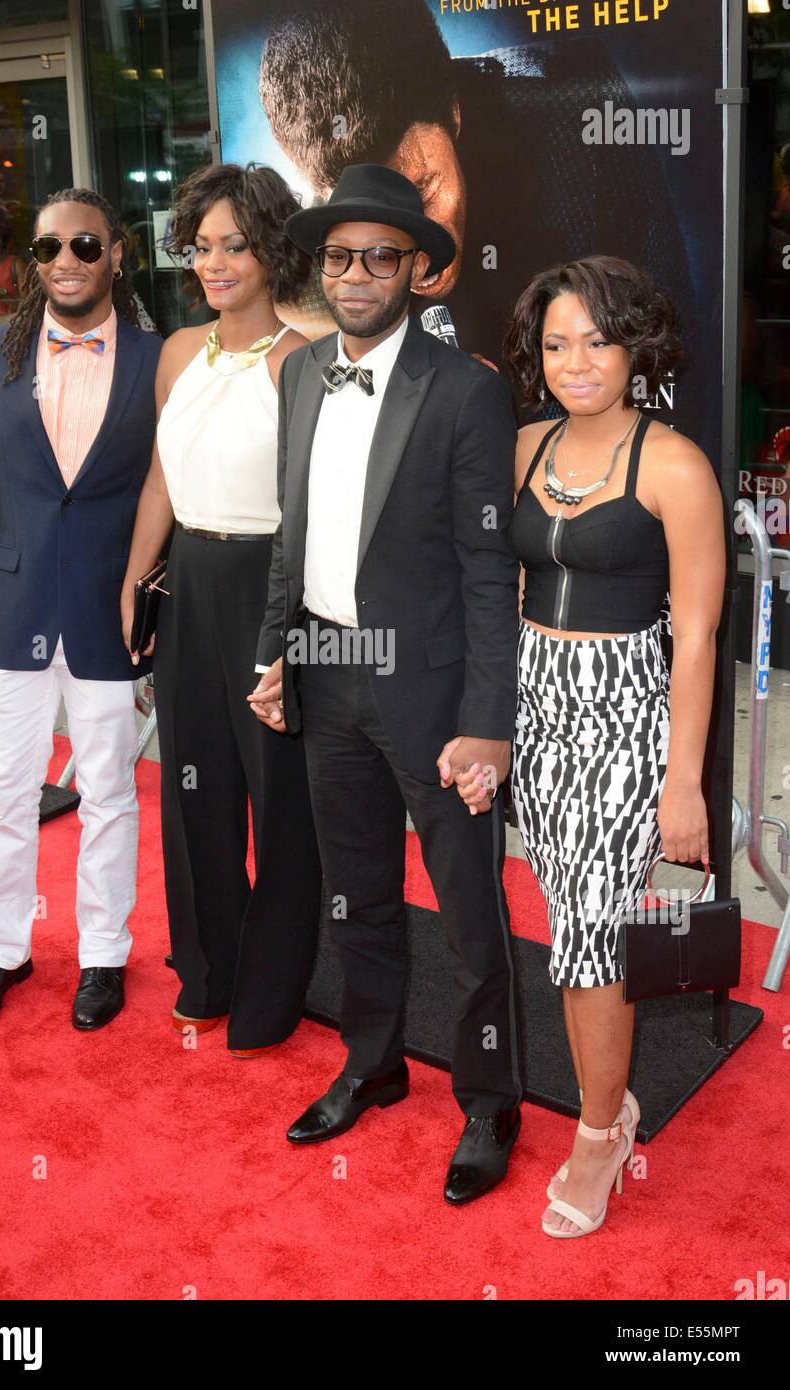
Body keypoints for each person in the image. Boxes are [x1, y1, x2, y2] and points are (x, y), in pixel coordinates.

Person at [248, 164, 523, 1204]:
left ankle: (489, 1095)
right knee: (353, 888)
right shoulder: (300, 372)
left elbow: (485, 573)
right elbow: (296, 533)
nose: (356, 274)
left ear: (415, 270)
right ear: (319, 268)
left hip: (432, 689)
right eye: (338, 256)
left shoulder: (464, 390)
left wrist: (485, 725)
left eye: (379, 257)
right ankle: (372, 1058)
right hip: (326, 666)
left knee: (464, 908)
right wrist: (274, 653)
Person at [457, 255, 725, 1237]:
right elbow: (499, 592)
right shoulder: (522, 446)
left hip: (623, 713)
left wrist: (681, 782)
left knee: (590, 940)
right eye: (556, 343)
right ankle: (606, 1109)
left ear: (633, 345)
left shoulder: (674, 465)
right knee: (565, 922)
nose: (574, 362)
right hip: (536, 702)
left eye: (596, 341)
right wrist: (491, 725)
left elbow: (693, 636)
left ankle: (599, 1132)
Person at [0, 188, 162, 1031]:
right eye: (47, 248)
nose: (65, 260)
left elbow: (160, 492)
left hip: (109, 611)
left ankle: (102, 954)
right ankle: (2, 949)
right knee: (0, 792)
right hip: (7, 608)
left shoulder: (156, 357)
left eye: (83, 245)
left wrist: (150, 605)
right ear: (32, 261)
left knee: (108, 788)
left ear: (116, 255)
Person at [121, 162, 323, 1054]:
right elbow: (163, 474)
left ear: (271, 248)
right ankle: (206, 970)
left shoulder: (301, 363)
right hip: (190, 584)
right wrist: (133, 579)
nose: (213, 262)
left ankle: (273, 993)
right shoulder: (174, 352)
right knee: (191, 789)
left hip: (272, 587)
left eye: (233, 245)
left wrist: (291, 632)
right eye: (201, 246)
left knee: (280, 800)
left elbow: (312, 506)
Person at [256, 0, 698, 386]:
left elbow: (662, 336)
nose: (419, 254)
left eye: (424, 190)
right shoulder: (316, 228)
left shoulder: (574, 114)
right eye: (376, 218)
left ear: (454, 111)